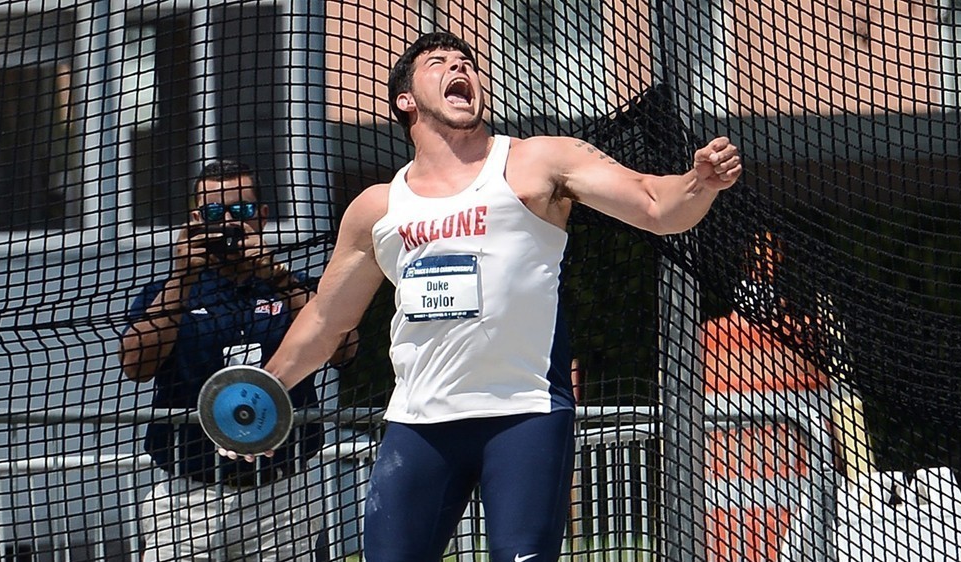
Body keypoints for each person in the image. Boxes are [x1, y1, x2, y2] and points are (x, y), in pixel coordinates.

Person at [224, 31, 741, 562]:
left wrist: (699, 182)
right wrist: (261, 391)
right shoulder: (378, 207)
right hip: (419, 424)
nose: (460, 68)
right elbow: (326, 320)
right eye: (438, 62)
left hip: (524, 414)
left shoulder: (537, 162)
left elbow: (657, 206)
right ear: (406, 100)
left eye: (466, 62)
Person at [119, 159, 355, 562]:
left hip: (282, 495)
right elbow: (135, 366)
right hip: (187, 498)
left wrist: (276, 274)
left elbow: (344, 349)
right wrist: (182, 277)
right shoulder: (169, 293)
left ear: (261, 216)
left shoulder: (291, 288)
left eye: (241, 211)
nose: (229, 223)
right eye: (214, 213)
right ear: (196, 220)